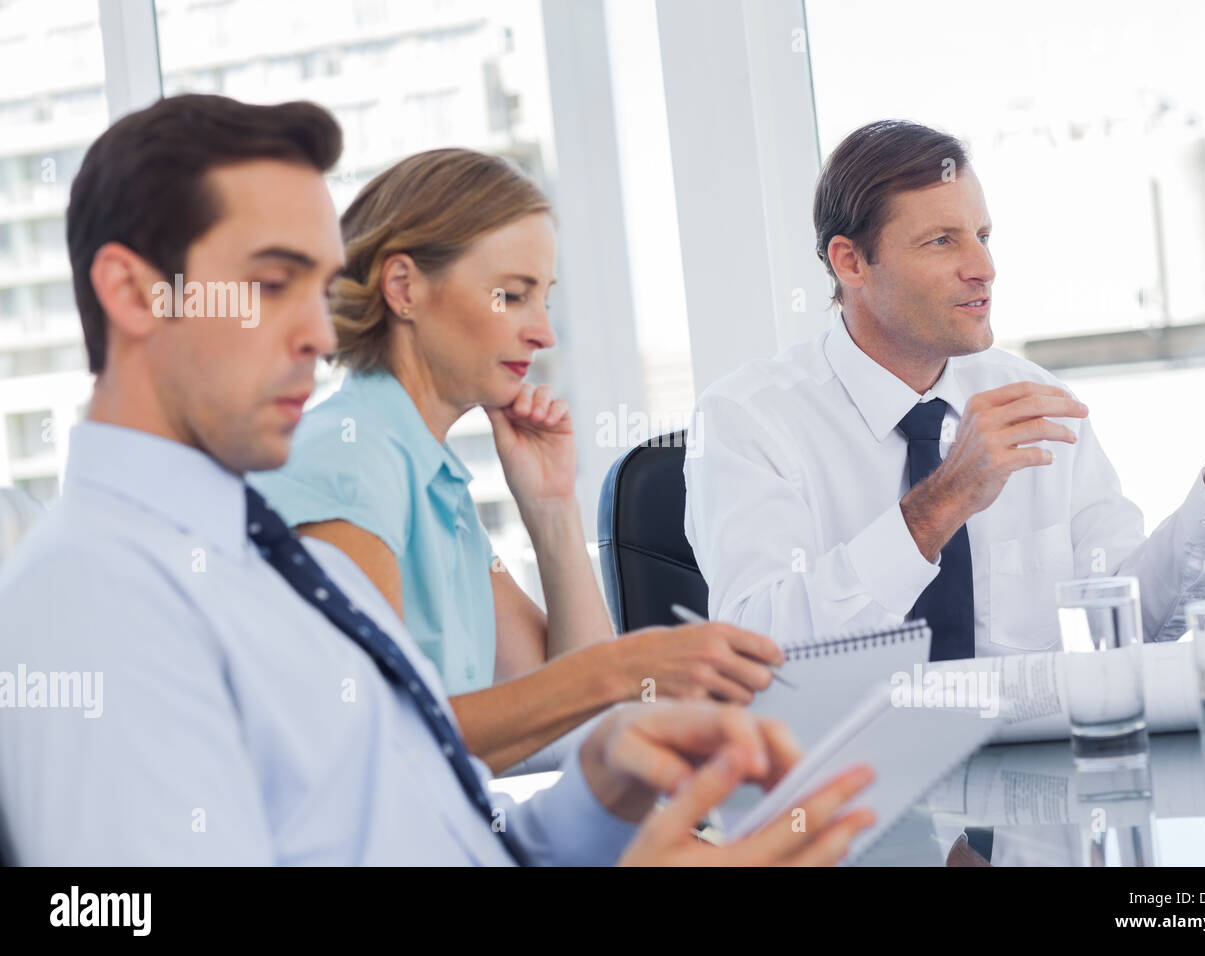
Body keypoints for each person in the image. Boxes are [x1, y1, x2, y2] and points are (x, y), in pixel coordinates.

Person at [0, 93, 875, 866]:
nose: (315, 332)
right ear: (131, 291)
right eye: (271, 284)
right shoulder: (99, 588)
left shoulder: (248, 550)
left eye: (317, 287)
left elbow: (414, 812)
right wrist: (616, 678)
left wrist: (604, 789)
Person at [685, 119, 1205, 661]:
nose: (983, 267)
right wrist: (945, 499)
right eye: (941, 241)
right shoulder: (747, 420)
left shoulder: (1030, 397)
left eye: (982, 235)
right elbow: (758, 653)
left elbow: (1137, 619)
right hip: (848, 779)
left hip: (1030, 774)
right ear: (851, 263)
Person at [250, 149, 784, 772]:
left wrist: (552, 508)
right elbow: (383, 737)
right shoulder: (349, 463)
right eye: (512, 295)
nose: (542, 333)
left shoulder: (428, 476)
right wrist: (623, 668)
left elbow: (573, 719)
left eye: (545, 301)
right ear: (404, 288)